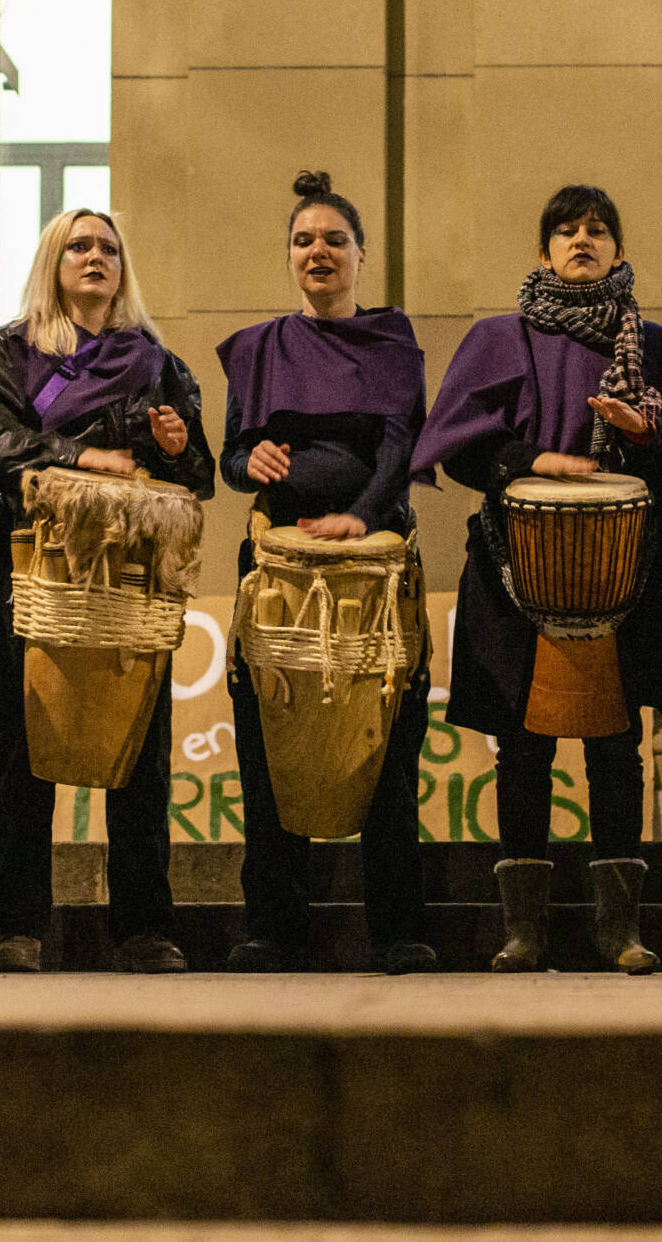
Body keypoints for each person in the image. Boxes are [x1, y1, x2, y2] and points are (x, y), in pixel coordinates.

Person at [411, 184, 662, 975]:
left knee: (616, 746)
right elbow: (458, 446)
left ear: (617, 249)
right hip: (516, 564)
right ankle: (524, 930)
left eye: (598, 230)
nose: (582, 240)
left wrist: (645, 441)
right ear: (544, 251)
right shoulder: (499, 337)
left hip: (623, 568)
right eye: (566, 231)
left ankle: (621, 930)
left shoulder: (659, 347)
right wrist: (529, 462)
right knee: (523, 745)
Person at [0, 207, 213, 974]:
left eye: (108, 247)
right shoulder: (9, 349)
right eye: (79, 246)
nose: (95, 256)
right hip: (35, 565)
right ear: (52, 262)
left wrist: (175, 445)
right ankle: (18, 929)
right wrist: (81, 456)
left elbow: (194, 472)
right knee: (26, 748)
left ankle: (143, 929)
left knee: (139, 752)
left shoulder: (156, 360)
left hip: (130, 570)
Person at [218, 172, 434, 975]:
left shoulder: (392, 340)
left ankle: (399, 928)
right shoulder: (260, 347)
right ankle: (272, 928)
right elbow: (231, 455)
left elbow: (398, 448)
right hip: (278, 568)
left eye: (334, 239)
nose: (319, 251)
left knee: (387, 754)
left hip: (374, 568)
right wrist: (252, 460)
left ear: (361, 254)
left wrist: (364, 516)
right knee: (270, 749)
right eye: (304, 240)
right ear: (289, 257)